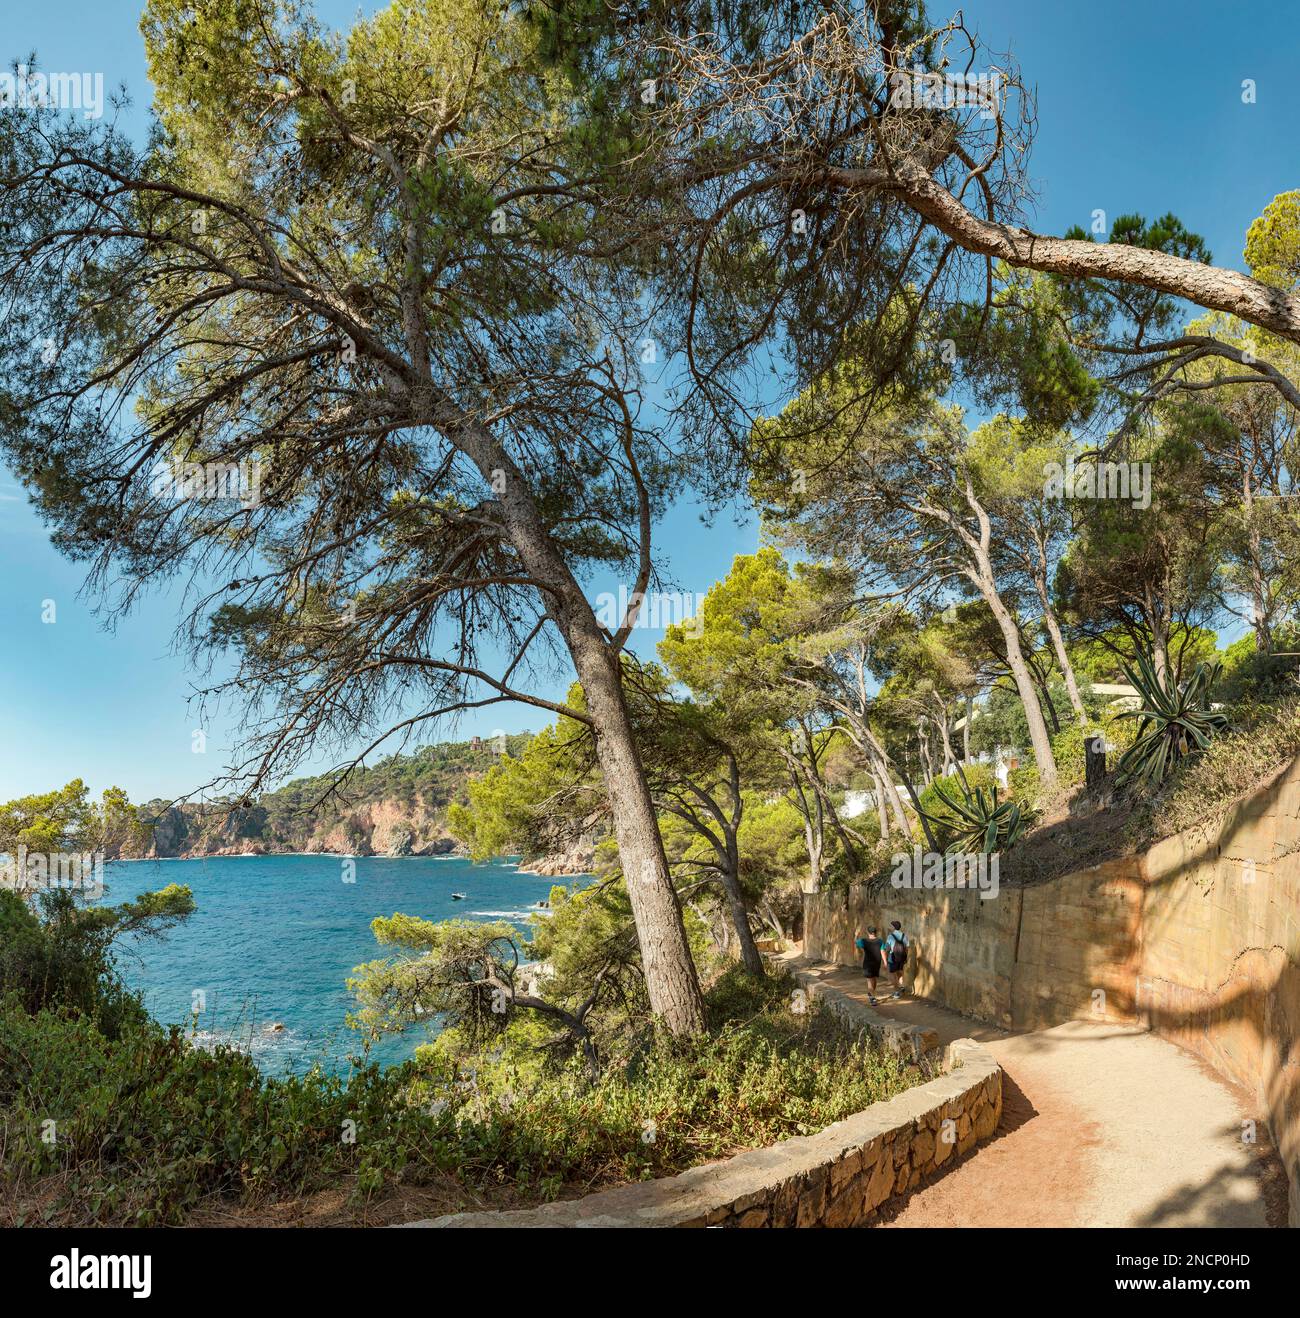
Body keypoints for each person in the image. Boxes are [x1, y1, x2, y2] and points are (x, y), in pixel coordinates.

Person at [855, 926, 884, 1004]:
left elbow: (857, 942)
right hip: (877, 963)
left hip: (868, 963)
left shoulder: (864, 941)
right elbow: (882, 951)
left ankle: (872, 998)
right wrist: (885, 962)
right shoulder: (880, 941)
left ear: (868, 933)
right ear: (875, 932)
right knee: (873, 979)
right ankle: (872, 994)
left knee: (870, 980)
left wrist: (856, 935)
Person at [882, 921, 909, 998]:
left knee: (893, 975)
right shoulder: (904, 936)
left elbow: (887, 948)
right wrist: (905, 957)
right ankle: (901, 987)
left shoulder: (890, 936)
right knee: (900, 972)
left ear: (894, 927)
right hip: (902, 957)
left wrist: (885, 957)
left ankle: (896, 992)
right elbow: (907, 948)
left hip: (892, 957)